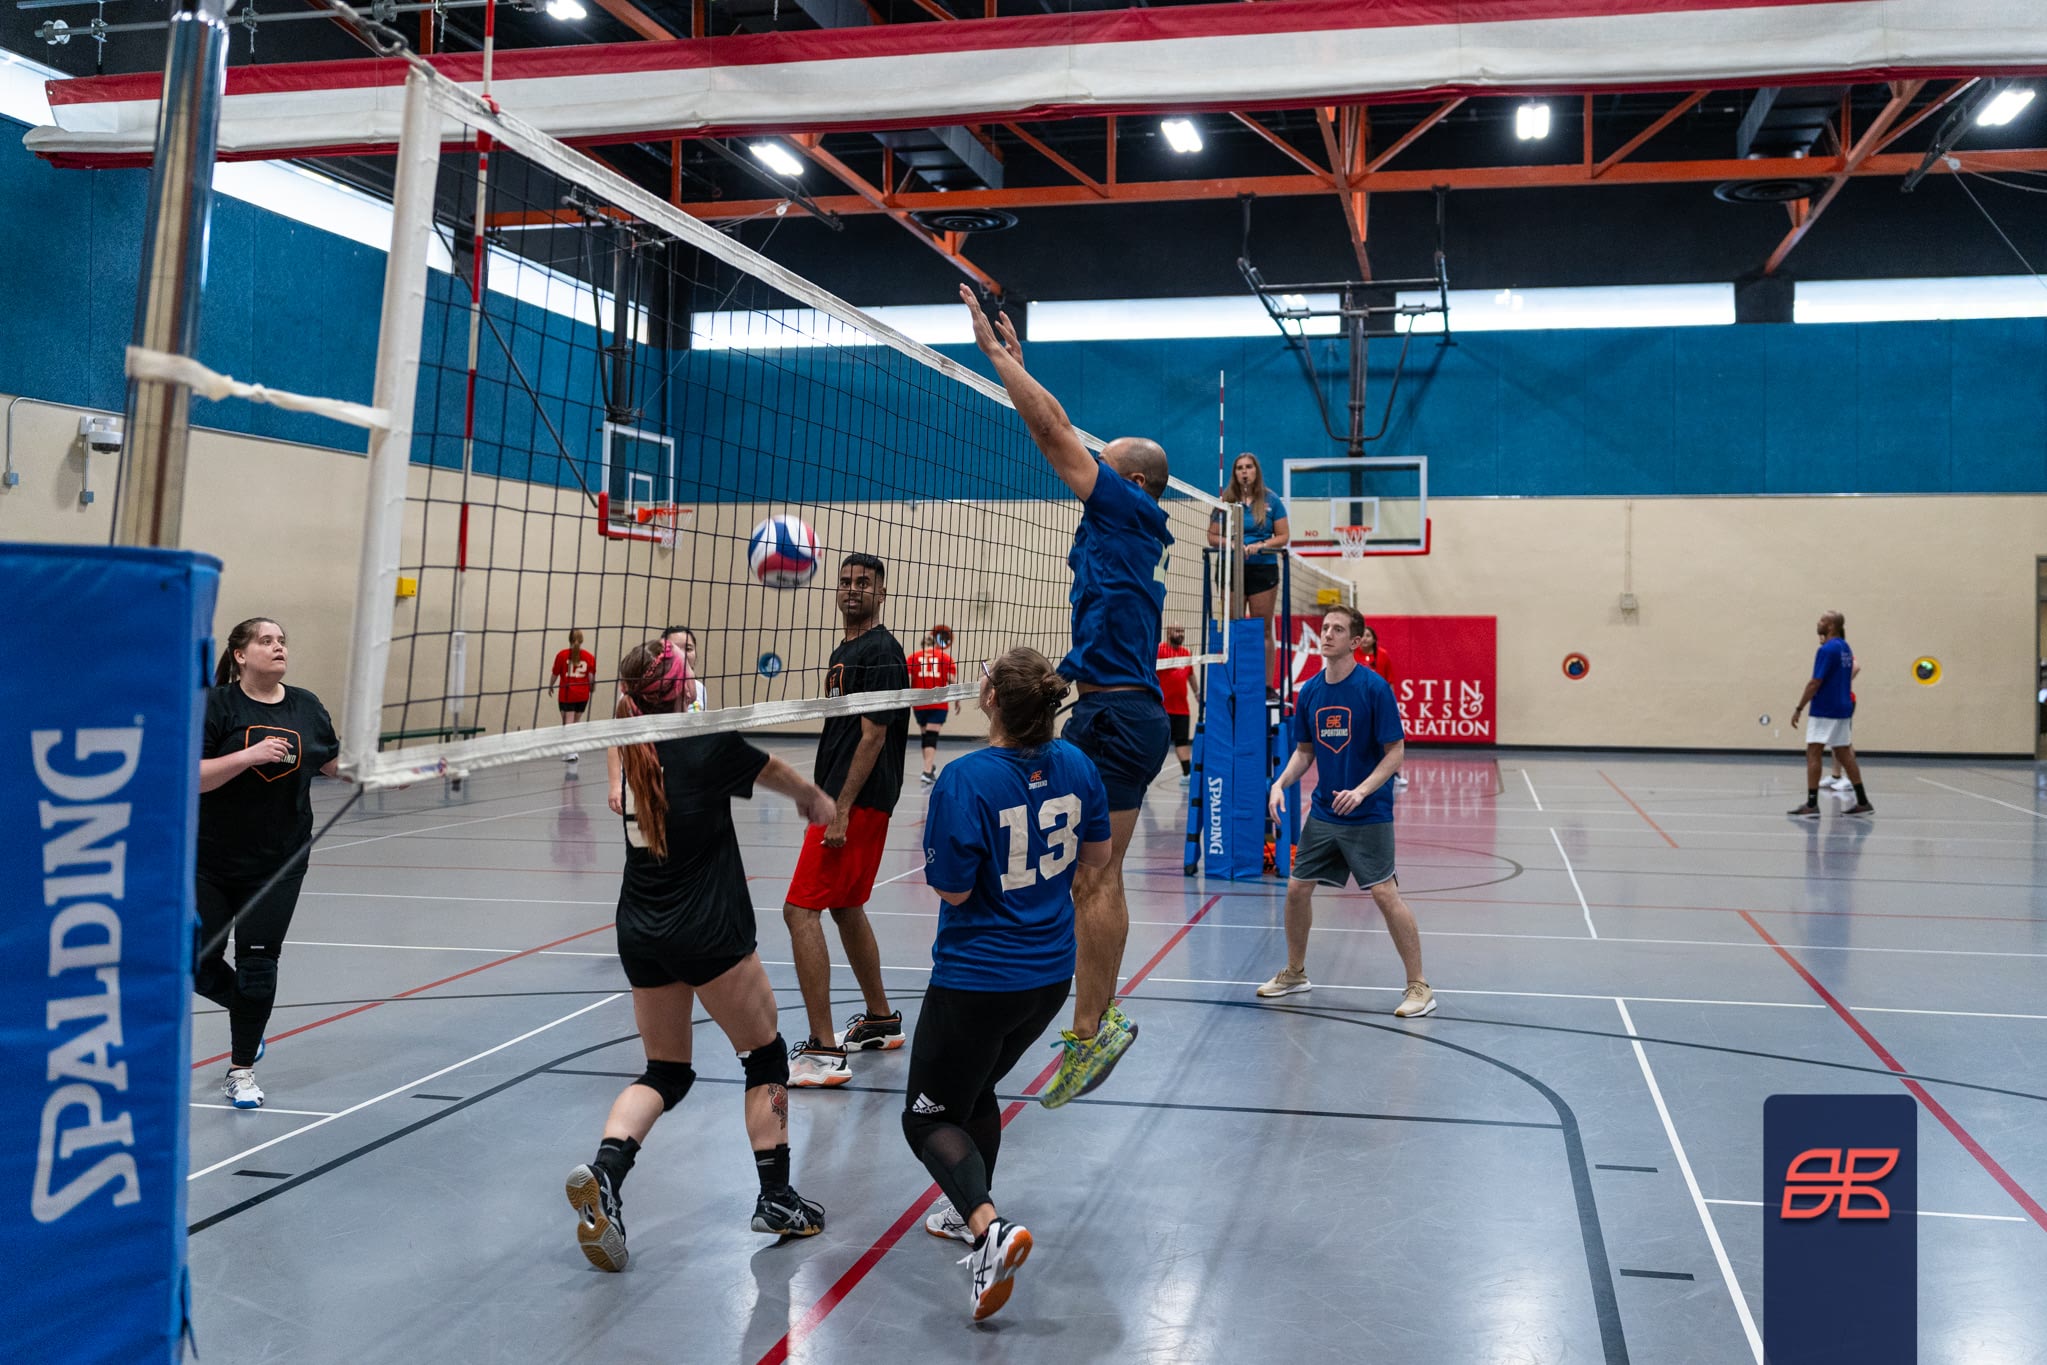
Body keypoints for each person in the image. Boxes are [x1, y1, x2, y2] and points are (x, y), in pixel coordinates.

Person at [961, 283, 1172, 1109]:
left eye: (1101, 455)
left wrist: (999, 358)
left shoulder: (1122, 507)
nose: (1088, 459)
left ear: (1124, 477)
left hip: (1116, 715)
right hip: (1111, 708)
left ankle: (1092, 1024)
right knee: (1089, 870)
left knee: (1095, 876)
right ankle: (1088, 1013)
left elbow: (1051, 431)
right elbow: (1062, 425)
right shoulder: (1123, 523)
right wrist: (1026, 363)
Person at [566, 639, 833, 1271]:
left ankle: (606, 1173)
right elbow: (775, 770)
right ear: (686, 688)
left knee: (666, 1071)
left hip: (641, 929)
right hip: (709, 933)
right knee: (765, 1056)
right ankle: (776, 1197)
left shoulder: (632, 748)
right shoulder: (706, 742)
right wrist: (813, 800)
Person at [906, 648, 1112, 1321]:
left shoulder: (963, 779)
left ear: (991, 699)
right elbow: (1097, 860)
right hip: (1048, 974)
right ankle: (967, 1207)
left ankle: (987, 1227)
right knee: (974, 1092)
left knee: (926, 1116)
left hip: (976, 977)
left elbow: (953, 887)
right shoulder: (1078, 764)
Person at [194, 617, 344, 1109]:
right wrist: (248, 755)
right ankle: (249, 1016)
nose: (278, 647)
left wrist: (393, 772)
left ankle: (241, 1068)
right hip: (209, 860)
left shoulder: (306, 706)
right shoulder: (216, 706)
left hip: (279, 861)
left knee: (258, 963)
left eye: (282, 640)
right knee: (190, 963)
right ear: (240, 654)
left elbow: (333, 765)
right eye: (266, 640)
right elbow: (192, 778)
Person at [1261, 607, 1435, 1018]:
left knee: (1383, 893)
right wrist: (1279, 783)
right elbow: (1306, 752)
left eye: (1338, 630)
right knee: (1297, 889)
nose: (1327, 635)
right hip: (1324, 811)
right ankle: (1296, 972)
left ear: (1356, 642)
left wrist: (1361, 792)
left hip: (1368, 811)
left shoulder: (1374, 689)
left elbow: (1396, 753)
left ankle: (1419, 986)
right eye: (1324, 628)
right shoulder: (1310, 693)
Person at [784, 554, 912, 1085]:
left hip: (855, 802)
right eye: (846, 581)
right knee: (845, 906)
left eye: (864, 583)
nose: (853, 589)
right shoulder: (847, 649)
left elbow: (874, 734)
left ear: (882, 592)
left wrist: (839, 808)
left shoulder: (881, 650)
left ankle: (822, 1051)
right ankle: (880, 1020)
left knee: (799, 912)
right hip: (849, 798)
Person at [1208, 452, 1289, 695]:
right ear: (1234, 473)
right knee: (1233, 625)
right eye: (1240, 468)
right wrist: (1232, 544)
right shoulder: (1225, 501)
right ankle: (1233, 679)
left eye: (1249, 467)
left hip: (1262, 567)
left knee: (1263, 627)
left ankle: (1266, 685)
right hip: (1231, 566)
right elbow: (1211, 536)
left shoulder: (1271, 500)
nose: (1244, 471)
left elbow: (1284, 536)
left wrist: (1262, 545)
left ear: (1256, 470)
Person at [607, 624, 705, 816]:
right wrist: (615, 785)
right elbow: (615, 742)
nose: (684, 654)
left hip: (685, 779)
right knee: (647, 840)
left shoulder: (698, 689)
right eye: (676, 649)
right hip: (646, 775)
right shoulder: (638, 692)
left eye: (689, 648)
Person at [1789, 611, 1873, 818]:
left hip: (1825, 708)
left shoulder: (1827, 650)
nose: (1818, 623)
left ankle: (1811, 803)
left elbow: (1815, 682)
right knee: (1844, 752)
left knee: (1813, 752)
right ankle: (1862, 801)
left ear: (1832, 626)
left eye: (1823, 621)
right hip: (1843, 707)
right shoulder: (1845, 647)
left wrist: (1799, 707)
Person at [1355, 624, 1407, 790]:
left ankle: (1393, 774)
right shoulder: (1352, 655)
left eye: (1368, 636)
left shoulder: (1382, 655)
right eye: (1362, 635)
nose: (1364, 639)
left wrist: (1390, 704)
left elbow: (1389, 682)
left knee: (1387, 743)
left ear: (1374, 639)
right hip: (1360, 706)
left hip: (1378, 706)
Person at [908, 630, 961, 785]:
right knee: (931, 736)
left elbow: (908, 679)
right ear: (936, 644)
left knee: (926, 736)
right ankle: (926, 770)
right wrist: (957, 699)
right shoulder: (946, 658)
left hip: (919, 703)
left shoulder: (913, 657)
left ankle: (929, 768)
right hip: (938, 703)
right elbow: (952, 680)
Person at [548, 628, 597, 768]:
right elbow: (591, 677)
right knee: (575, 723)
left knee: (568, 723)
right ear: (581, 640)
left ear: (569, 639)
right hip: (582, 694)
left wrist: (550, 685)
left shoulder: (562, 655)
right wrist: (592, 687)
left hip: (567, 694)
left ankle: (570, 752)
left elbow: (555, 673)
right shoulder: (589, 657)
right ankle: (572, 751)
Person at [1156, 622, 1198, 779]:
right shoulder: (1160, 650)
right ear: (1168, 632)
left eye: (1182, 631)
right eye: (1177, 631)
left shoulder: (1186, 653)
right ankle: (1144, 773)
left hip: (1181, 708)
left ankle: (1187, 774)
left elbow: (1191, 675)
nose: (1180, 634)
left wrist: (1197, 693)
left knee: (1182, 742)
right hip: (1162, 708)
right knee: (1156, 744)